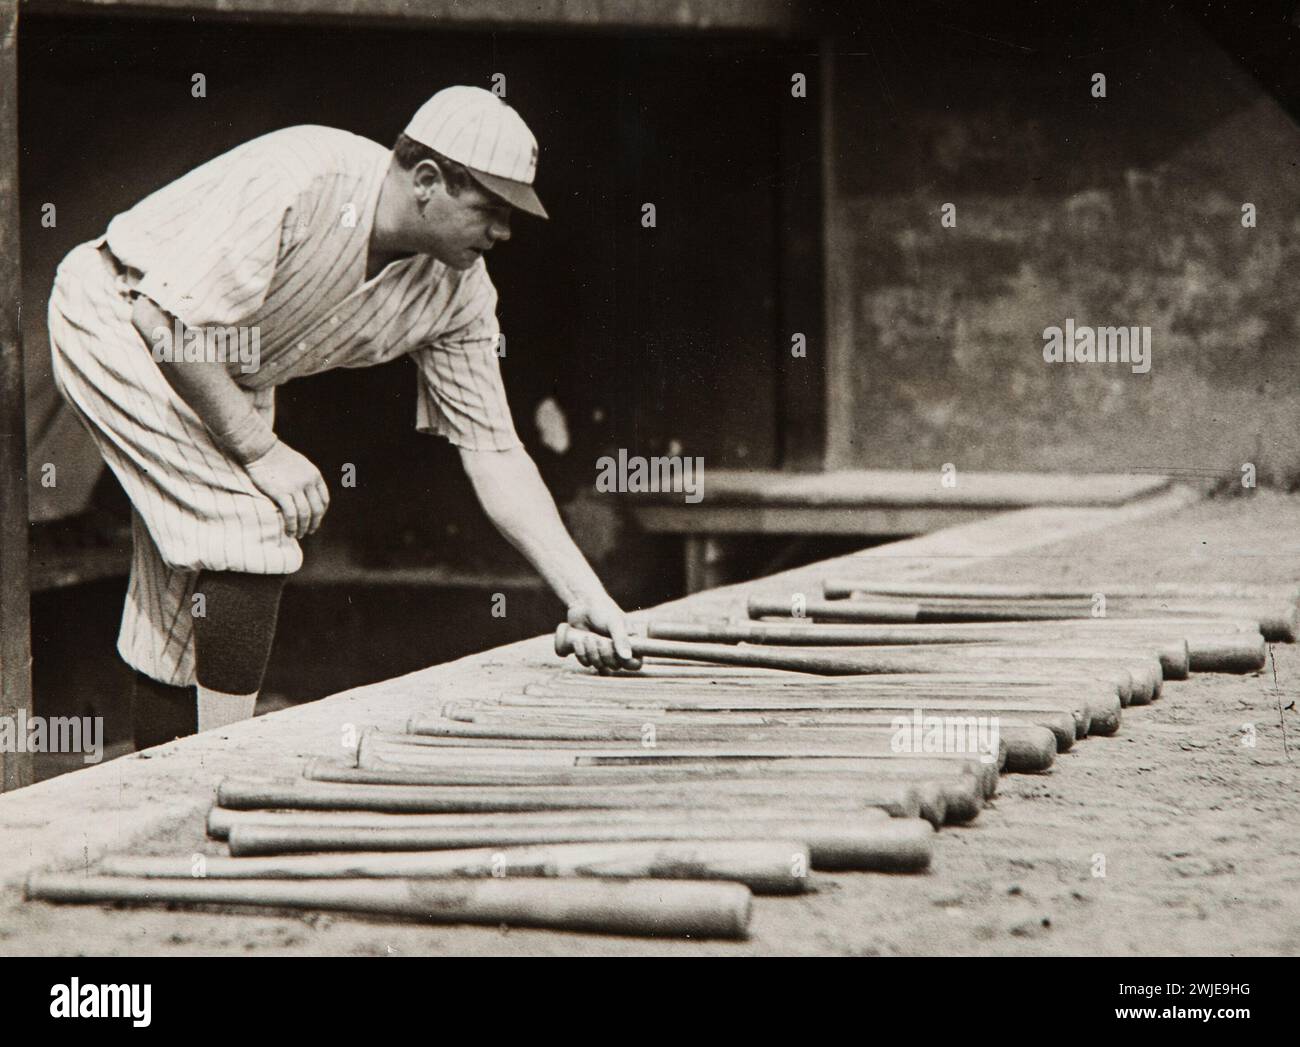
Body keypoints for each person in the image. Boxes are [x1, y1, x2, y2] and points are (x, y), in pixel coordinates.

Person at [47, 85, 639, 749]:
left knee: (180, 606)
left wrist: (584, 593)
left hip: (224, 366)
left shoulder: (459, 289)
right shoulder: (304, 175)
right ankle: (216, 770)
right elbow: (162, 320)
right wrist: (259, 449)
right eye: (491, 210)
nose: (503, 232)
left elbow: (494, 450)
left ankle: (155, 784)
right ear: (426, 179)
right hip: (119, 315)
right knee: (251, 528)